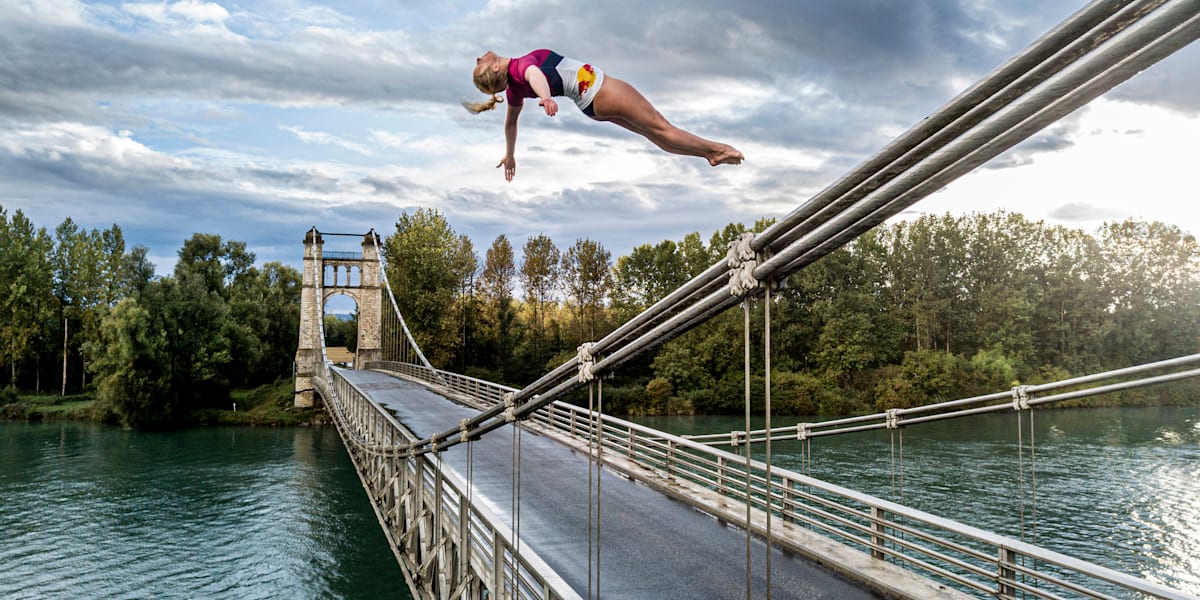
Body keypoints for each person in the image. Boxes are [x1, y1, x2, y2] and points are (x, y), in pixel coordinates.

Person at [464, 49, 744, 181]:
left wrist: (510, 154)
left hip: (592, 105)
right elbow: (534, 74)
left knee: (656, 134)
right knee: (660, 126)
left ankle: (708, 154)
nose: (478, 59)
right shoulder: (519, 67)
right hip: (600, 91)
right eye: (480, 66)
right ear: (496, 70)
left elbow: (510, 124)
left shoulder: (513, 88)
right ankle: (715, 150)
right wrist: (546, 97)